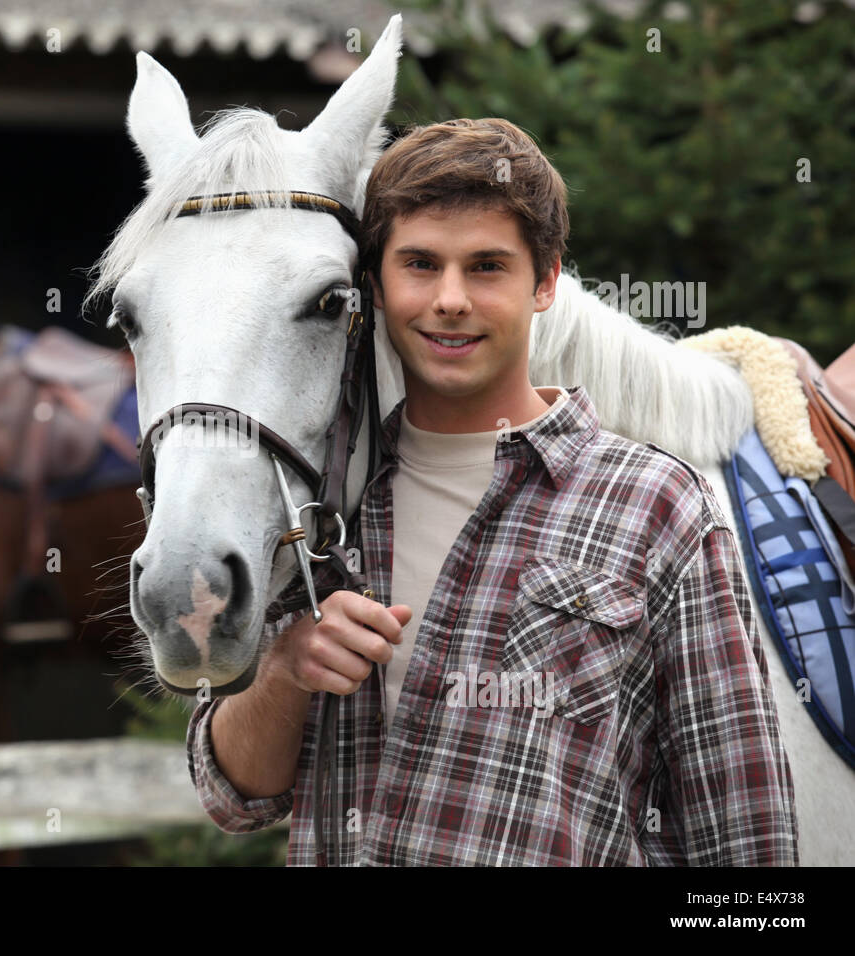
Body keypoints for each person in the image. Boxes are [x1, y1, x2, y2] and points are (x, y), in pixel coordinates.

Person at [186, 118, 799, 865]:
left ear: (544, 283)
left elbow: (747, 847)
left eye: (486, 267)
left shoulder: (657, 506)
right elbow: (231, 793)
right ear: (375, 286)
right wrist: (285, 669)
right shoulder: (321, 513)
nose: (449, 299)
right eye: (420, 264)